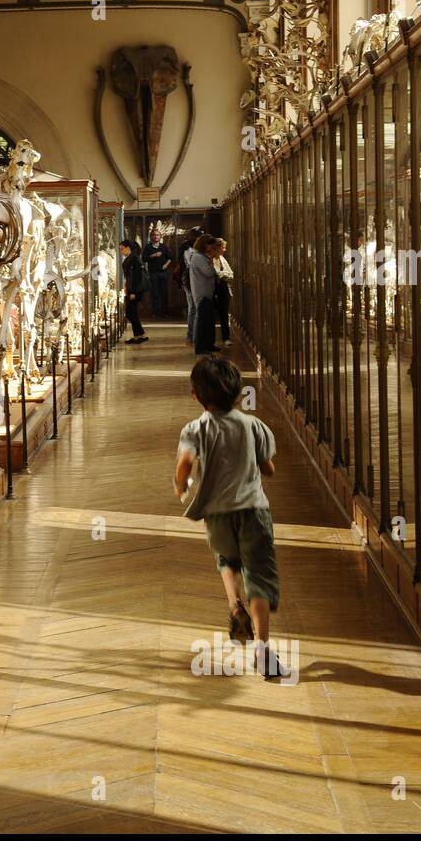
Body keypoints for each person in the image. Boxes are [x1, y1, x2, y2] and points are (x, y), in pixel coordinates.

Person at [174, 354, 286, 678]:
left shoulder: (195, 428)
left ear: (195, 395)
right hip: (253, 509)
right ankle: (263, 650)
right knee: (260, 575)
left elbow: (184, 464)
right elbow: (268, 467)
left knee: (227, 558)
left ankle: (234, 603)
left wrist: (181, 486)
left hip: (217, 513)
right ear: (239, 393)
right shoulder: (253, 425)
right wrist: (261, 465)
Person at [188, 233, 221, 354]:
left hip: (207, 293)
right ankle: (200, 347)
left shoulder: (202, 256)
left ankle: (209, 344)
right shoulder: (197, 257)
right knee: (202, 323)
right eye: (210, 245)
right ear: (204, 244)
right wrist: (213, 262)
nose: (211, 248)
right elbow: (209, 272)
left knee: (209, 321)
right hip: (202, 294)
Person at [119, 239, 148, 344]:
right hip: (132, 290)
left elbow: (135, 277)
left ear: (128, 248)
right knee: (132, 313)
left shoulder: (134, 259)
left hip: (134, 291)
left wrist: (132, 292)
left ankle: (140, 335)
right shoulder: (132, 258)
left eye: (122, 249)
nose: (121, 251)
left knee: (130, 313)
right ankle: (139, 336)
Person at [180, 227, 203, 345]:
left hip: (190, 278)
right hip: (189, 279)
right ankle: (191, 335)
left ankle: (193, 334)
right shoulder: (189, 249)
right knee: (193, 307)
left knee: (193, 307)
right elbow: (190, 264)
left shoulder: (190, 248)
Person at [144, 229, 172, 318]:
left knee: (164, 292)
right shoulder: (148, 247)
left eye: (157, 235)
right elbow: (144, 258)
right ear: (151, 237)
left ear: (160, 237)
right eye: (154, 235)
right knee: (155, 293)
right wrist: (153, 255)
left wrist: (166, 265)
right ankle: (156, 312)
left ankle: (166, 312)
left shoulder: (164, 247)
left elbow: (169, 258)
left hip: (163, 273)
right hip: (153, 273)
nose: (156, 236)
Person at [213, 237, 234, 347]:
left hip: (224, 288)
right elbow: (215, 273)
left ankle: (226, 337)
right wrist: (222, 274)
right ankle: (211, 340)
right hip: (213, 289)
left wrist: (222, 274)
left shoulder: (222, 259)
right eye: (223, 247)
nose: (225, 250)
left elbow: (230, 273)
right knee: (212, 315)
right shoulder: (211, 259)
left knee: (224, 314)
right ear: (216, 248)